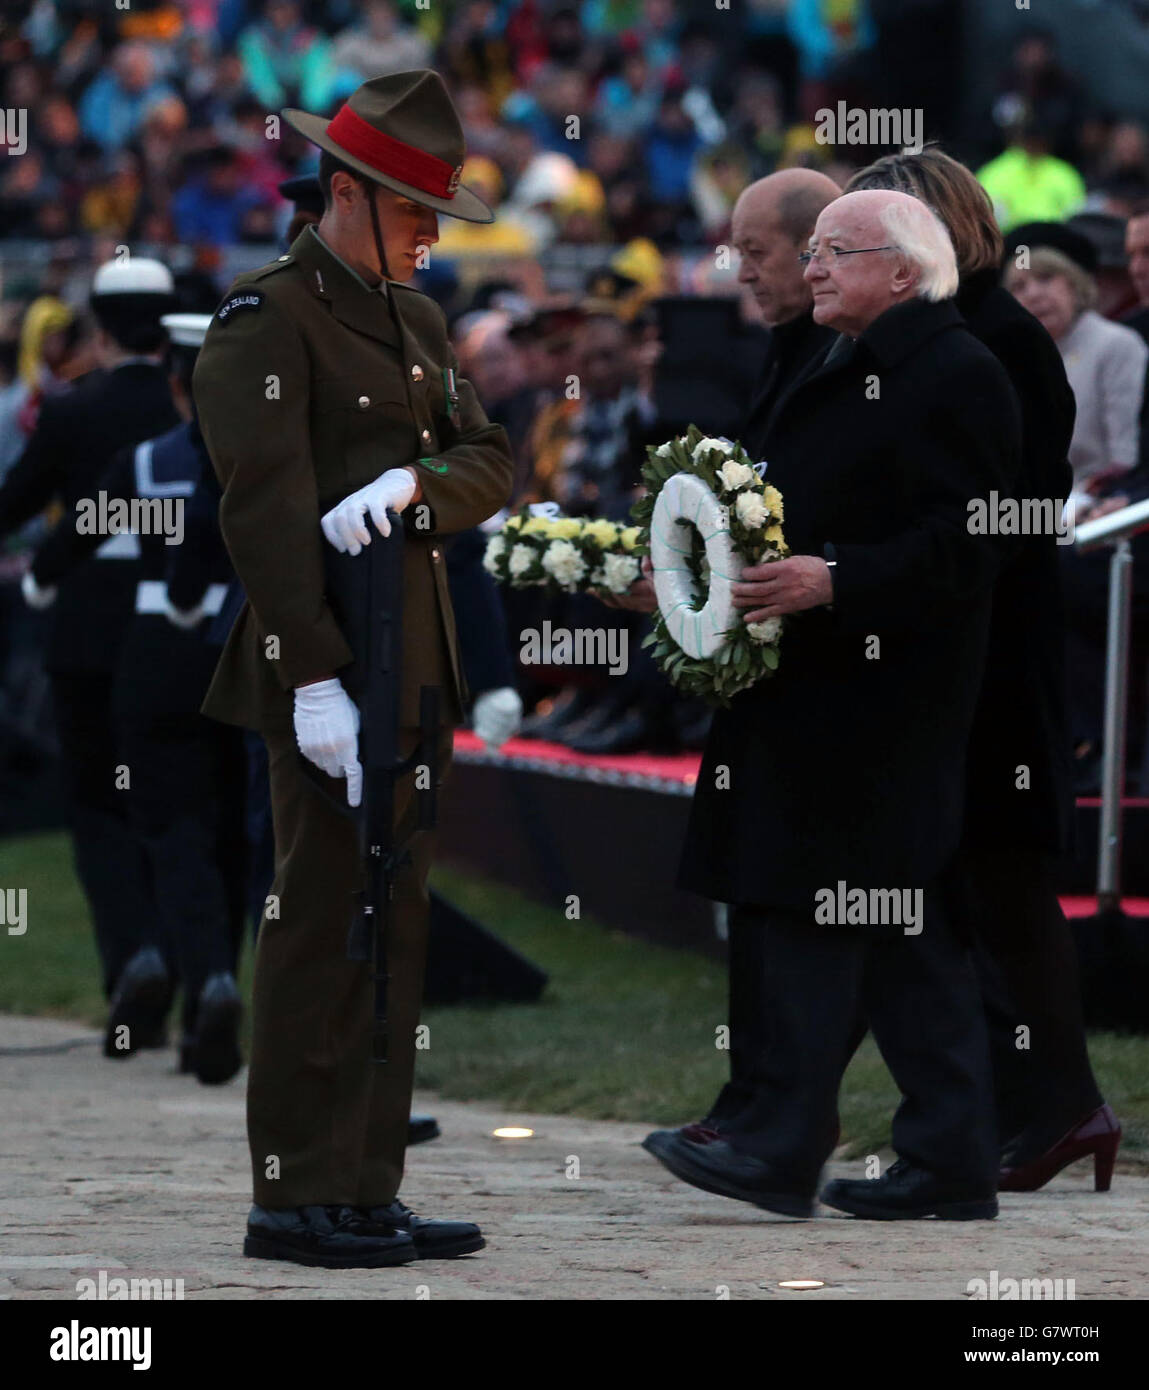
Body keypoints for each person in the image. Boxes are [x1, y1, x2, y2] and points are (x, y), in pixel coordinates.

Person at [646, 190, 1021, 1220]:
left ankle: (778, 1139)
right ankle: (948, 1156)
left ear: (903, 270)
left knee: (825, 906)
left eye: (832, 252)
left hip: (885, 693)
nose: (811, 268)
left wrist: (837, 580)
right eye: (807, 252)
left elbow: (971, 542)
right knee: (906, 931)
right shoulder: (841, 359)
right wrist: (696, 574)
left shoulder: (955, 373)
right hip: (817, 684)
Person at [192, 70, 513, 1268]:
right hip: (323, 664)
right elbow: (262, 515)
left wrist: (414, 486)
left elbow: (491, 458)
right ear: (346, 194)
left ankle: (366, 1182)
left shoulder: (415, 318)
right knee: (320, 918)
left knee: (396, 923)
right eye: (416, 211)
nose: (434, 235)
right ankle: (292, 1192)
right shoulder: (269, 318)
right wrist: (312, 675)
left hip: (414, 652)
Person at [842, 149, 1117, 1190]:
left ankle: (1057, 1104)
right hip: (949, 641)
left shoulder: (999, 339)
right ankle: (1023, 1104)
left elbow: (1014, 511)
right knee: (964, 887)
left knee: (1000, 878)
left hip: (995, 648)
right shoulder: (935, 338)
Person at [29, 313, 249, 1087]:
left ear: (175, 385)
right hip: (245, 655)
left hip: (158, 655)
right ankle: (215, 988)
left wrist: (37, 578)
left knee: (171, 829)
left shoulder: (146, 463)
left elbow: (78, 533)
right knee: (235, 834)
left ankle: (198, 975)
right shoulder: (259, 461)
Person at [0, 257, 181, 1056]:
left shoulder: (71, 412)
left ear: (100, 328)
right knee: (174, 805)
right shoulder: (195, 410)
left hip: (86, 633)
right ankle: (188, 964)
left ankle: (132, 957)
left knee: (98, 807)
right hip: (180, 628)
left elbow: (15, 503)